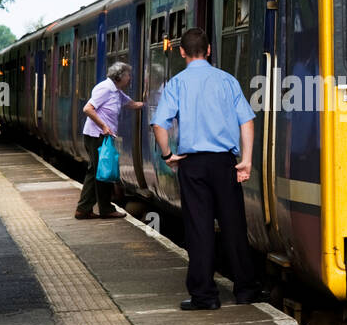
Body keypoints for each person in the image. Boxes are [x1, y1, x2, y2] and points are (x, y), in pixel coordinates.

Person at [151, 27, 258, 310]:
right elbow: (246, 120)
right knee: (234, 225)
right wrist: (245, 159)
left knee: (199, 228)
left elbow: (159, 124)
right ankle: (246, 289)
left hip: (193, 164)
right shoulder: (227, 81)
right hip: (225, 163)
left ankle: (205, 296)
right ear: (209, 50)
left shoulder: (176, 83)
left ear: (182, 52)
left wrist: (168, 155)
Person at [75, 61, 144, 220]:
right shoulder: (105, 88)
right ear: (120, 76)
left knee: (97, 171)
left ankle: (84, 209)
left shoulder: (117, 92)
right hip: (96, 135)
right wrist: (104, 126)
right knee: (102, 171)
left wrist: (149, 104)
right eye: (128, 75)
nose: (130, 78)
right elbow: (88, 108)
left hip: (102, 136)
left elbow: (132, 104)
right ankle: (103, 209)